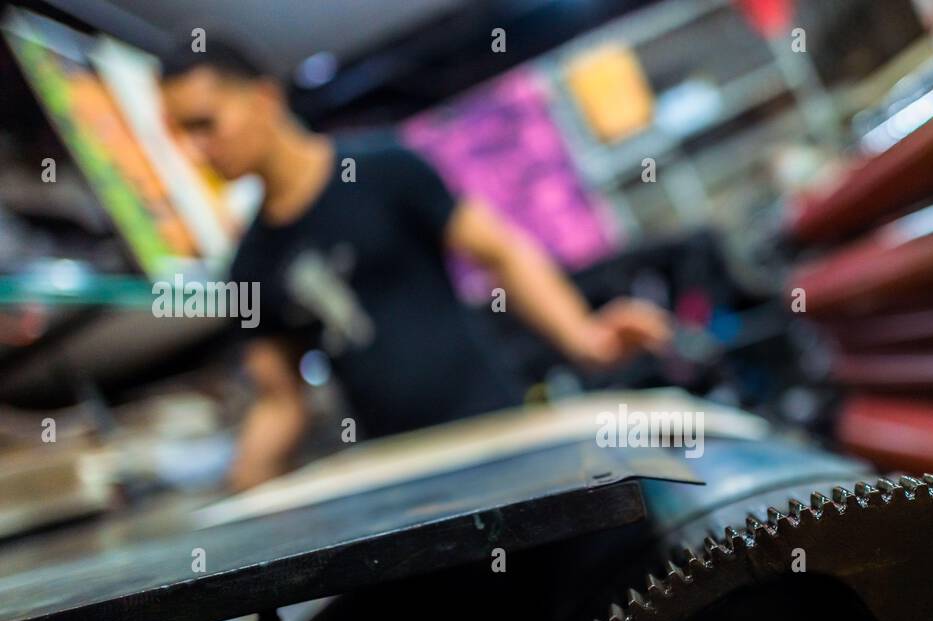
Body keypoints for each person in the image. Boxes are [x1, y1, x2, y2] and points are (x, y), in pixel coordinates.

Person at [158, 38, 672, 490]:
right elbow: (279, 399)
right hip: (398, 476)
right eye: (185, 134)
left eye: (206, 123)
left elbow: (502, 252)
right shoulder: (250, 264)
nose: (199, 149)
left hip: (500, 433)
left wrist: (586, 338)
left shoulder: (386, 169)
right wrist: (245, 489)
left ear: (264, 98)